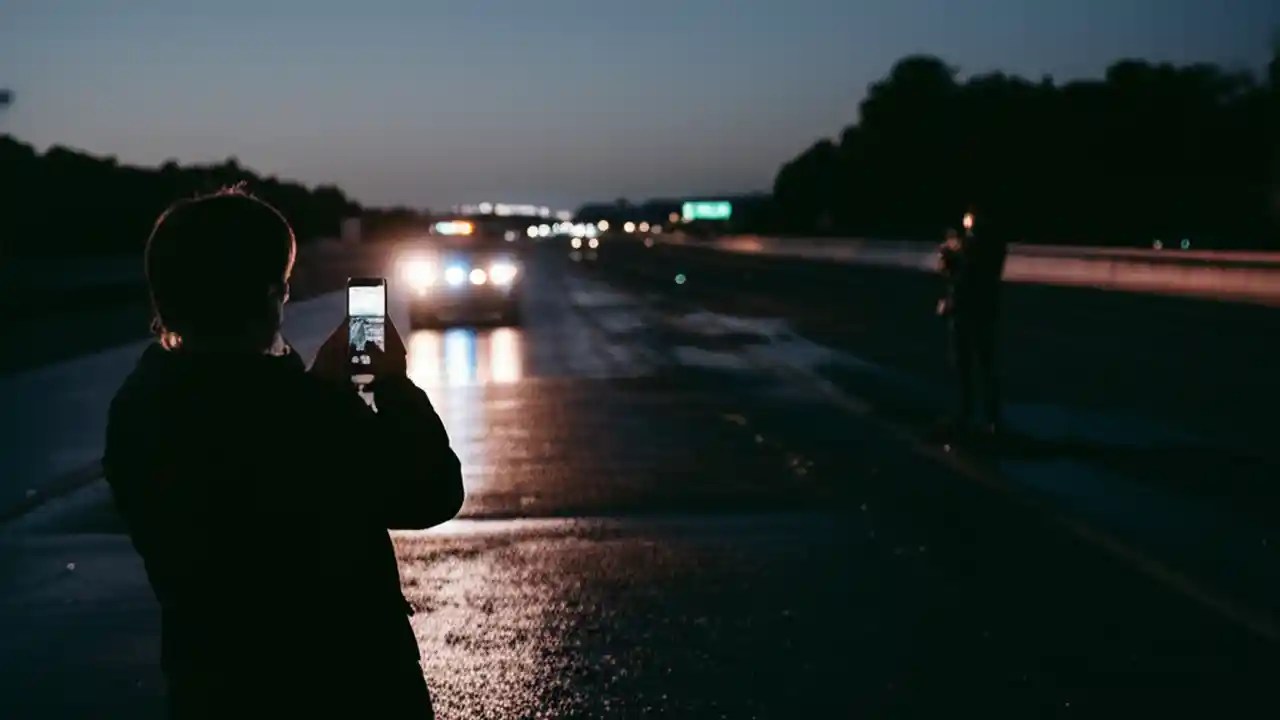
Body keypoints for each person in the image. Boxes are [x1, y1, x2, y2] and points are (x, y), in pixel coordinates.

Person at [104, 189, 463, 718]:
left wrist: (313, 387)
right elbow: (431, 492)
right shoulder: (305, 415)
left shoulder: (138, 405)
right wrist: (391, 385)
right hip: (346, 688)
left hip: (212, 686)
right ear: (273, 294)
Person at [943, 209, 1008, 433]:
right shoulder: (981, 246)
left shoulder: (983, 247)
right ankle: (982, 416)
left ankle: (979, 416)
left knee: (974, 365)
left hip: (973, 310)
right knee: (973, 365)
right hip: (976, 310)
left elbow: (967, 275)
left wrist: (954, 256)